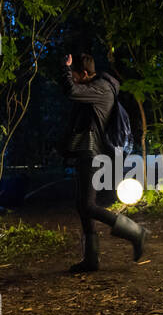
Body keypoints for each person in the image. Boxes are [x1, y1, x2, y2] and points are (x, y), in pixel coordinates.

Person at [60, 52, 148, 272]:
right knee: (83, 205)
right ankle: (91, 259)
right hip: (87, 152)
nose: (73, 79)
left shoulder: (100, 88)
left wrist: (64, 68)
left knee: (88, 205)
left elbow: (71, 91)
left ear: (84, 73)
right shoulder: (94, 87)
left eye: (75, 75)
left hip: (93, 154)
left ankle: (136, 232)